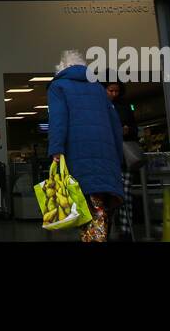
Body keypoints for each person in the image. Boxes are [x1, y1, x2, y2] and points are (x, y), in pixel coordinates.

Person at [48, 51, 124, 242]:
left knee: (90, 206)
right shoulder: (98, 89)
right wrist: (117, 155)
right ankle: (98, 235)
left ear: (62, 69)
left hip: (78, 154)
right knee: (100, 203)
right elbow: (115, 124)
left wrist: (56, 150)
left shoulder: (58, 86)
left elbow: (58, 121)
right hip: (106, 156)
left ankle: (95, 238)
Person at [105, 81, 138, 241]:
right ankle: (109, 226)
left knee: (124, 196)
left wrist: (127, 130)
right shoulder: (101, 108)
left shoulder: (124, 107)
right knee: (109, 198)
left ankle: (125, 230)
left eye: (116, 91)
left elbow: (134, 129)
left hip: (121, 158)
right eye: (110, 90)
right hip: (110, 159)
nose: (114, 94)